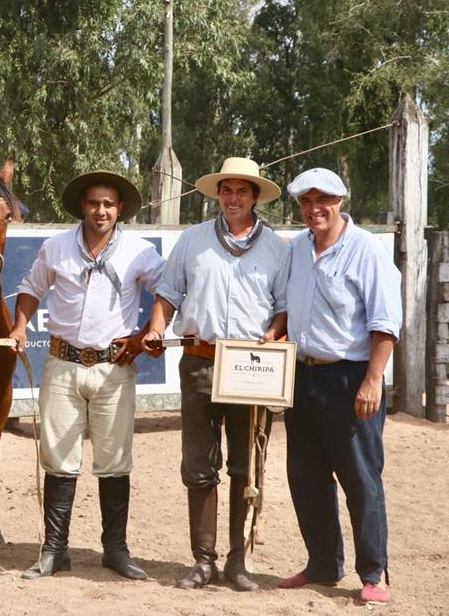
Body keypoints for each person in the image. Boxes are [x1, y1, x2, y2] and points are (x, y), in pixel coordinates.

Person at [141, 157, 291, 592]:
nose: (233, 198)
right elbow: (168, 293)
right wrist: (155, 326)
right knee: (199, 466)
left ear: (255, 196)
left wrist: (274, 332)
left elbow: (283, 307)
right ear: (217, 194)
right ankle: (203, 561)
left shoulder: (278, 249)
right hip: (200, 363)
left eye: (243, 191)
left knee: (246, 467)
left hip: (251, 367)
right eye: (227, 190)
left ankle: (238, 562)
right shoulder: (192, 241)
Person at [10, 171, 165, 580]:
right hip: (62, 365)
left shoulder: (138, 251)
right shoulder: (57, 246)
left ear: (119, 210)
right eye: (94, 203)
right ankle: (54, 550)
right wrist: (20, 325)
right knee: (58, 459)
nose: (101, 211)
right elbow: (30, 287)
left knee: (114, 461)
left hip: (114, 368)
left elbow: (168, 289)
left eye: (109, 204)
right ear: (83, 205)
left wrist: (149, 332)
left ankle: (115, 549)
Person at [277, 167, 401, 605]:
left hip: (350, 376)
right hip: (303, 374)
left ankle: (373, 573)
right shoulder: (296, 251)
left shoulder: (366, 250)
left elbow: (385, 322)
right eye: (306, 202)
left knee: (360, 476)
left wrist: (372, 381)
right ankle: (323, 564)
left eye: (322, 200)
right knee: (305, 476)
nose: (314, 209)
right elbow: (286, 310)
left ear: (340, 201)